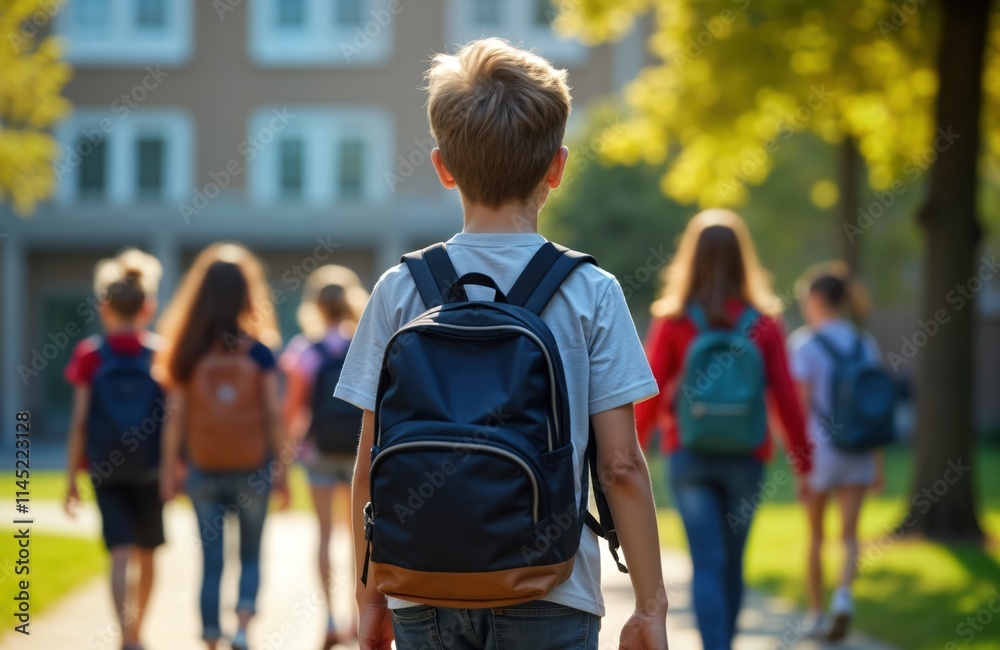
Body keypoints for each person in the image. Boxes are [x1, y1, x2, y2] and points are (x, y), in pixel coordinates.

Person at [334, 38, 669, 650]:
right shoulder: (591, 291)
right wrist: (650, 605)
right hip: (551, 587)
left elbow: (367, 465)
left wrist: (369, 596)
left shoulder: (398, 289)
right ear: (558, 168)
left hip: (422, 587)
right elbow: (621, 467)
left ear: (442, 166)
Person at [635, 209, 813, 650]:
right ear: (742, 259)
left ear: (690, 258)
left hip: (689, 455)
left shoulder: (673, 320)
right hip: (746, 456)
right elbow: (786, 397)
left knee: (708, 563)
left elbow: (649, 391)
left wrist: (631, 451)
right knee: (734, 564)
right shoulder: (764, 322)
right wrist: (805, 461)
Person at [157, 243, 289, 650]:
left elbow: (175, 418)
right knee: (250, 554)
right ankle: (244, 627)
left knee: (211, 563)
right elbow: (273, 416)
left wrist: (168, 471)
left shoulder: (187, 353)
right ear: (247, 294)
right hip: (253, 468)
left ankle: (211, 638)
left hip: (203, 470)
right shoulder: (261, 353)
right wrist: (281, 470)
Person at [63, 248, 165, 650]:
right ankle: (140, 631)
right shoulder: (159, 351)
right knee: (148, 555)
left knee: (119, 554)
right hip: (151, 468)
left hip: (105, 468)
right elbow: (171, 418)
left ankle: (124, 637)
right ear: (148, 307)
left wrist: (71, 477)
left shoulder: (90, 354)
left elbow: (79, 423)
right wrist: (175, 465)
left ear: (104, 307)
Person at [788, 261, 885, 641]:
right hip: (859, 451)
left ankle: (815, 614)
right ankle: (843, 598)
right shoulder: (865, 343)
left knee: (814, 536)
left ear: (815, 298)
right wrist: (877, 463)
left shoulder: (804, 344)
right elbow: (874, 408)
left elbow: (798, 410)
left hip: (819, 452)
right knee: (849, 535)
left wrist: (798, 465)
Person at [279, 265, 368, 648]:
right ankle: (356, 619)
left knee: (323, 535)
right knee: (359, 538)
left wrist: (284, 458)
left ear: (315, 305)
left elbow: (293, 412)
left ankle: (330, 618)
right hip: (358, 454)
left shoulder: (304, 351)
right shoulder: (364, 345)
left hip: (318, 453)